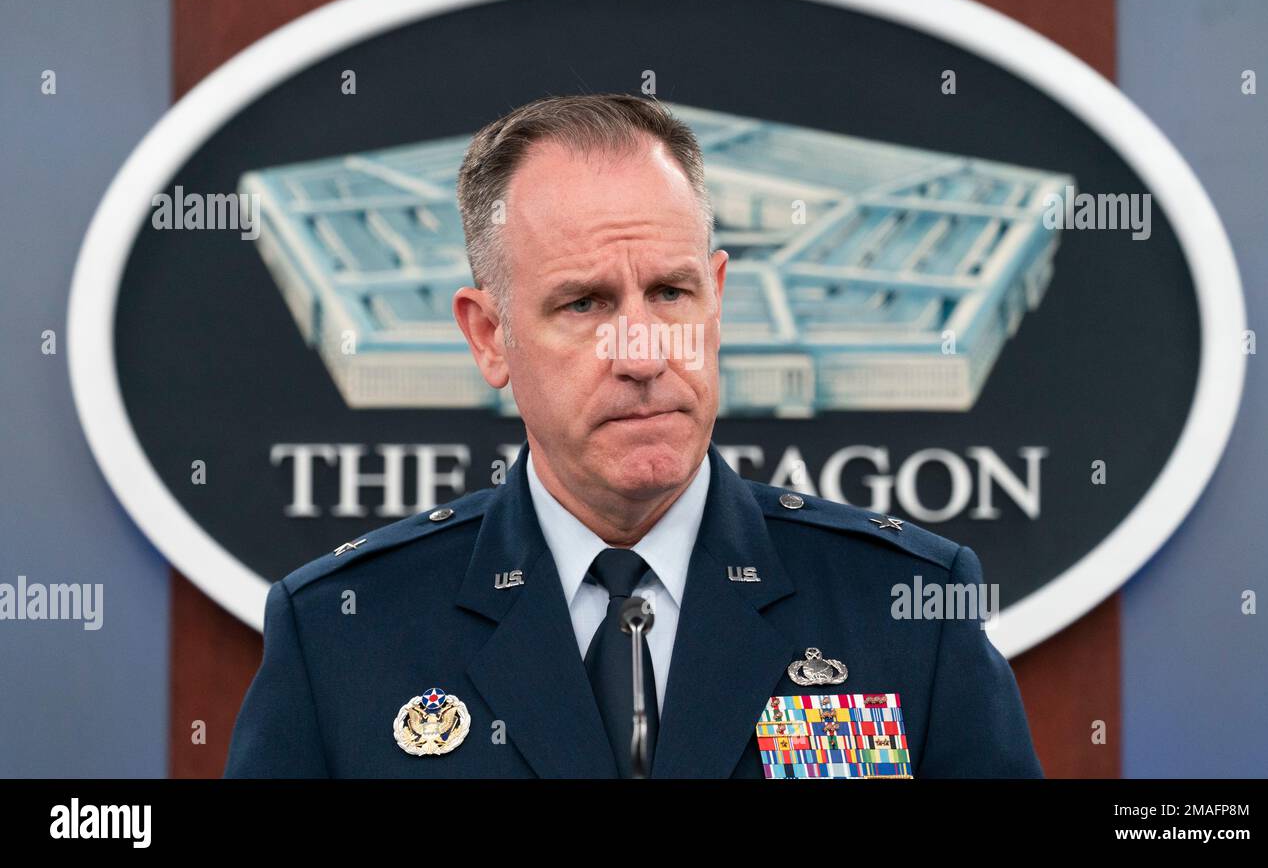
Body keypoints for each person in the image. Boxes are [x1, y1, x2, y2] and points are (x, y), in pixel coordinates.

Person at [225, 93, 1042, 778]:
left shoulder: (906, 613)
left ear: (716, 300)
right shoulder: (343, 635)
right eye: (583, 304)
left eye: (671, 292)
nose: (645, 352)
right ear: (488, 337)